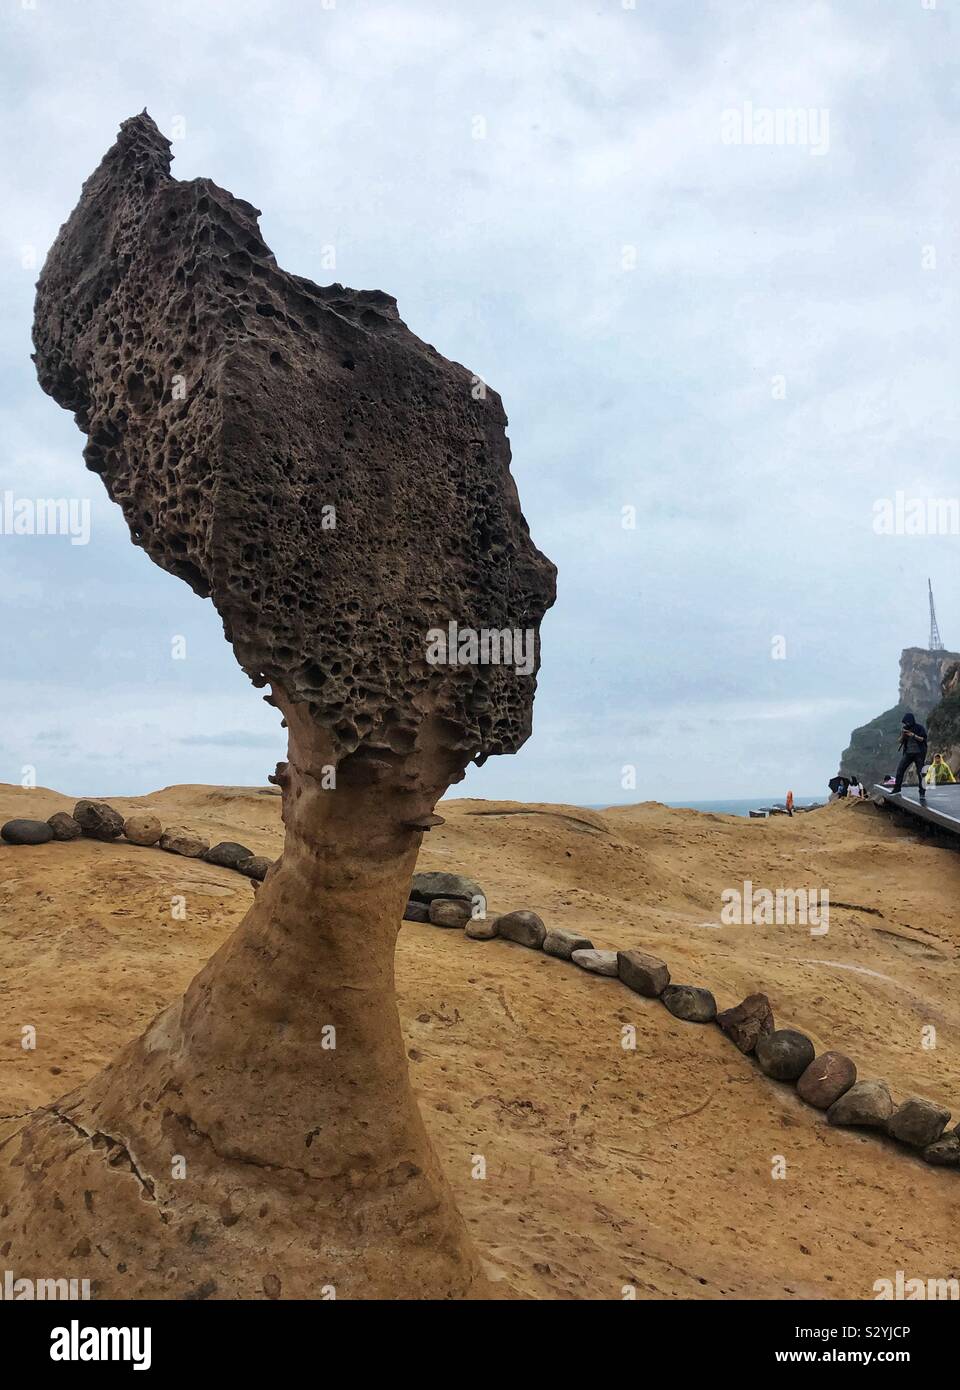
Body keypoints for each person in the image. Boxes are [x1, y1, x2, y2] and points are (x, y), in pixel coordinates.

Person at [892, 712, 928, 802]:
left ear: (911, 720)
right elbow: (900, 741)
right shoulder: (904, 729)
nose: (906, 724)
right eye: (905, 722)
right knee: (900, 769)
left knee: (921, 774)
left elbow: (923, 739)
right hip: (908, 753)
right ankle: (897, 789)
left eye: (907, 722)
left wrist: (913, 735)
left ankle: (922, 793)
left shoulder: (919, 728)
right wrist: (903, 735)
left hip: (919, 753)